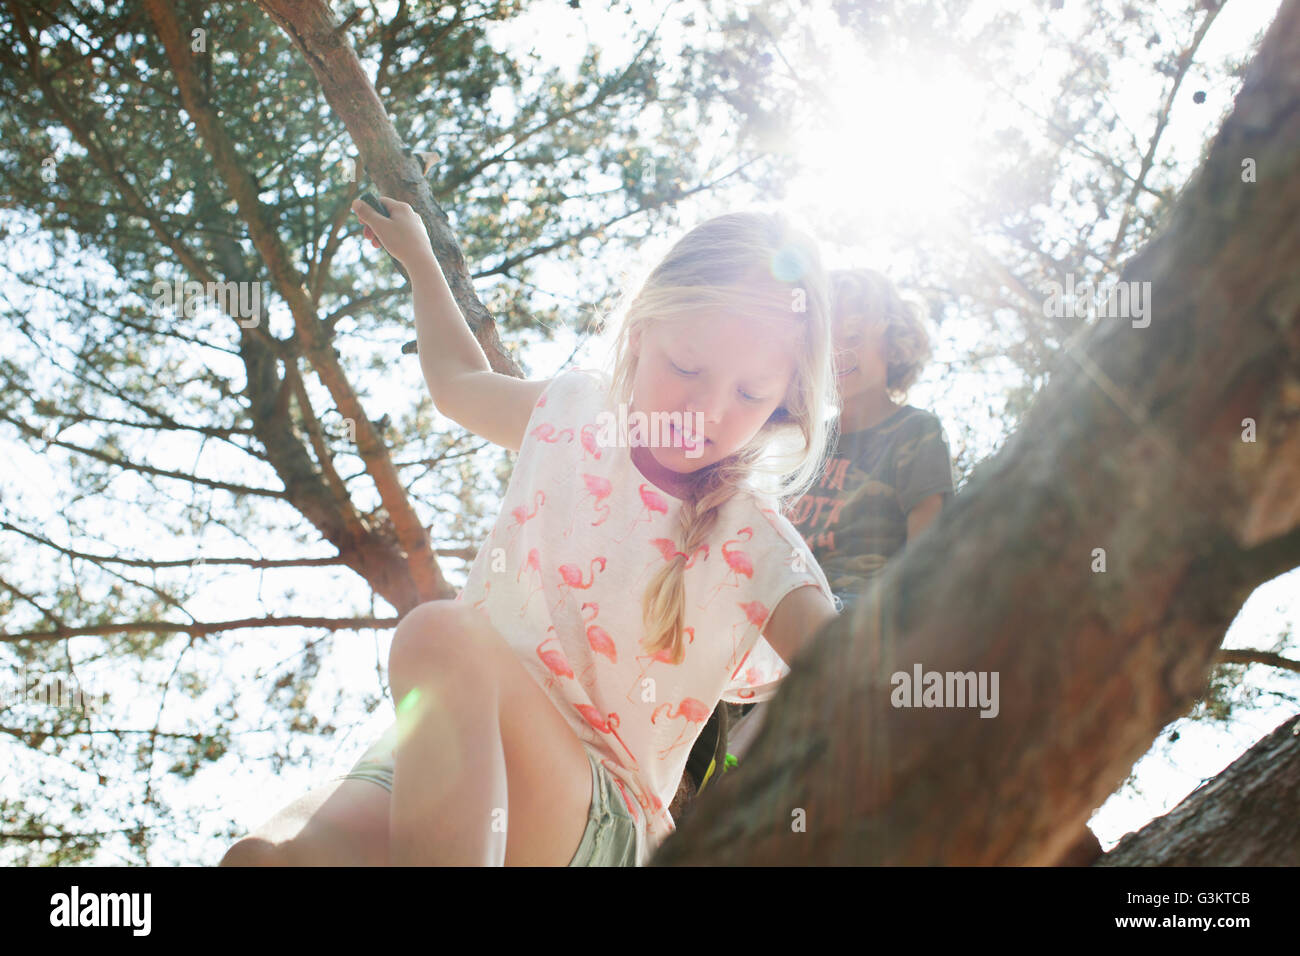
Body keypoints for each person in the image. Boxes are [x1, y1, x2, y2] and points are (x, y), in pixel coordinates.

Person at [219, 205, 840, 867]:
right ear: (640, 332)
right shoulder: (575, 413)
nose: (708, 410)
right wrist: (421, 262)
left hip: (594, 809)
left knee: (440, 635)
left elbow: (848, 673)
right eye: (687, 368)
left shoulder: (755, 540)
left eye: (750, 393)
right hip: (451, 746)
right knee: (262, 858)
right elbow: (459, 385)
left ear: (782, 402)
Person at [716, 267, 955, 768]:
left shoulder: (913, 430)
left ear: (894, 343)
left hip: (859, 609)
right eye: (831, 344)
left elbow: (931, 548)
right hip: (773, 608)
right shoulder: (796, 443)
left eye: (855, 337)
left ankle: (735, 780)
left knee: (808, 679)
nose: (841, 356)